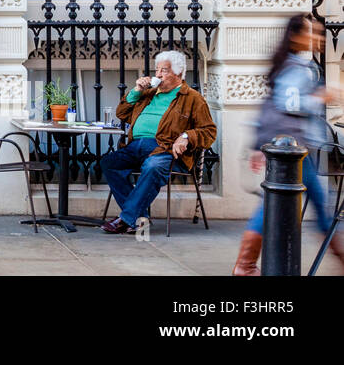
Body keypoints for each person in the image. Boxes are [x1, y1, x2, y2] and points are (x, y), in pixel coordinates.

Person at [233, 14, 344, 275]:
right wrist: (321, 96)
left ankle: (245, 264)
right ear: (296, 37)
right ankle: (245, 265)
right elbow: (289, 104)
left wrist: (256, 145)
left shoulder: (290, 64)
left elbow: (269, 106)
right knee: (314, 205)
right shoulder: (296, 69)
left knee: (309, 203)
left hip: (291, 146)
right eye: (313, 33)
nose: (318, 38)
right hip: (293, 150)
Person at [99, 50, 216, 234]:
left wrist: (186, 137)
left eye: (164, 70)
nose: (158, 75)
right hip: (136, 147)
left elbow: (209, 132)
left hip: (165, 150)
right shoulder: (149, 94)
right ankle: (138, 218)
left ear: (178, 73)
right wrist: (137, 90)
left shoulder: (192, 98)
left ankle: (126, 218)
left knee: (153, 166)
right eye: (157, 70)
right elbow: (122, 113)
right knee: (109, 163)